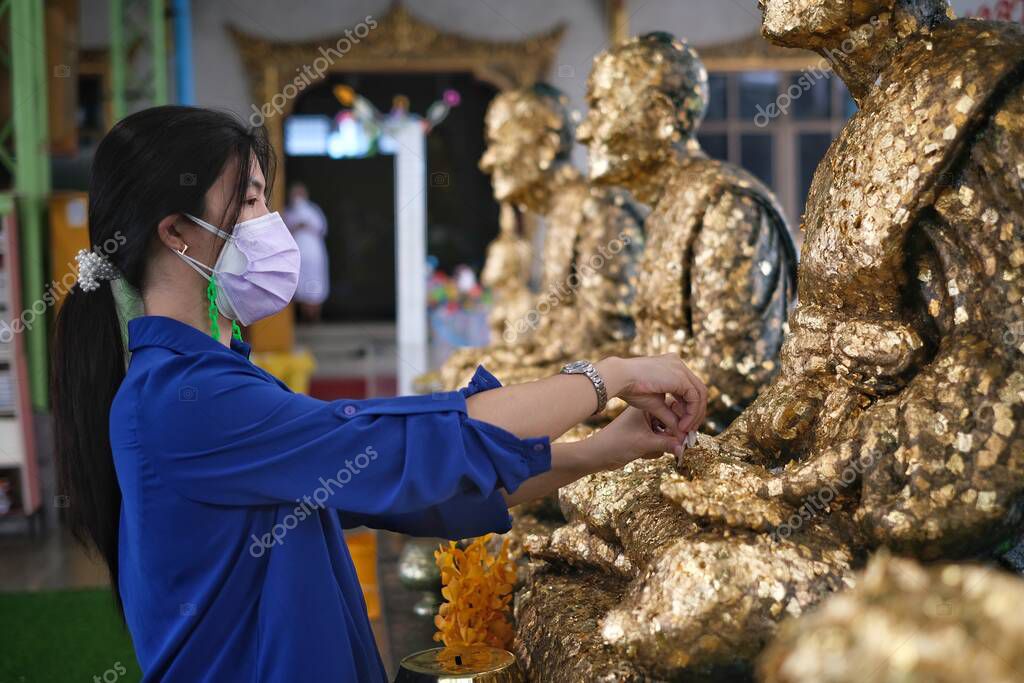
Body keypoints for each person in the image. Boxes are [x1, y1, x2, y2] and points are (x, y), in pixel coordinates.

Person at [51, 106, 708, 683]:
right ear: (176, 232)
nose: (271, 223)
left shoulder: (209, 381)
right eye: (248, 201)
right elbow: (409, 445)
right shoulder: (186, 399)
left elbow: (409, 485)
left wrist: (597, 452)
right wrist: (609, 376)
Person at [282, 182, 329, 322]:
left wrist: (306, 224)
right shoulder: (288, 212)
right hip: (297, 256)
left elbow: (322, 228)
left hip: (314, 255)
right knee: (300, 287)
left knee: (315, 287)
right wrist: (296, 226)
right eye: (295, 194)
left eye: (299, 194)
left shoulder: (314, 210)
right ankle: (303, 317)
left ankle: (315, 317)